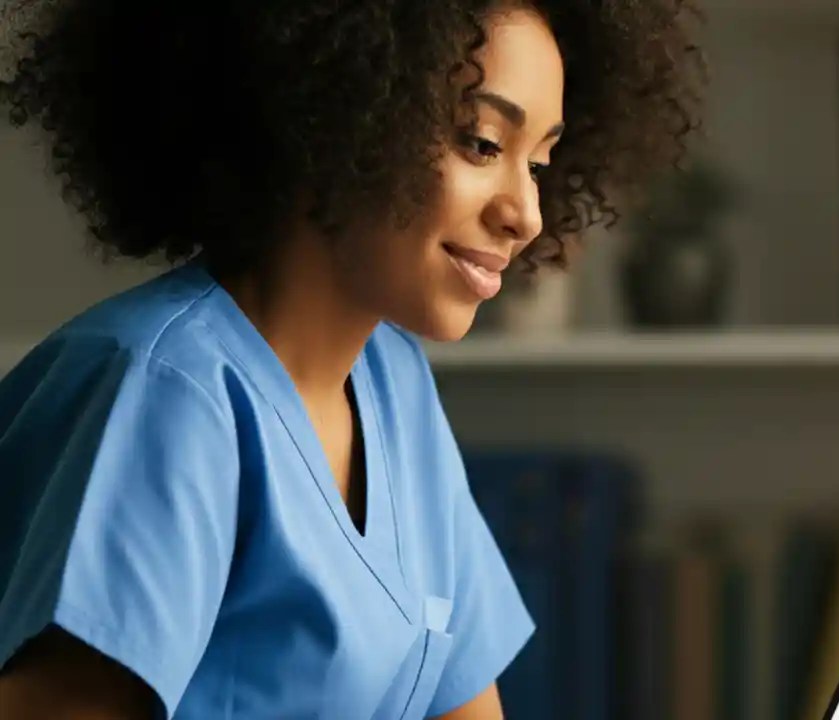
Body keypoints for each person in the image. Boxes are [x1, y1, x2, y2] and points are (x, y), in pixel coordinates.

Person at [0, 0, 702, 717]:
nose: (527, 212)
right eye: (483, 143)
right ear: (336, 116)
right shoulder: (167, 394)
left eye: (541, 162)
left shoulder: (394, 382)